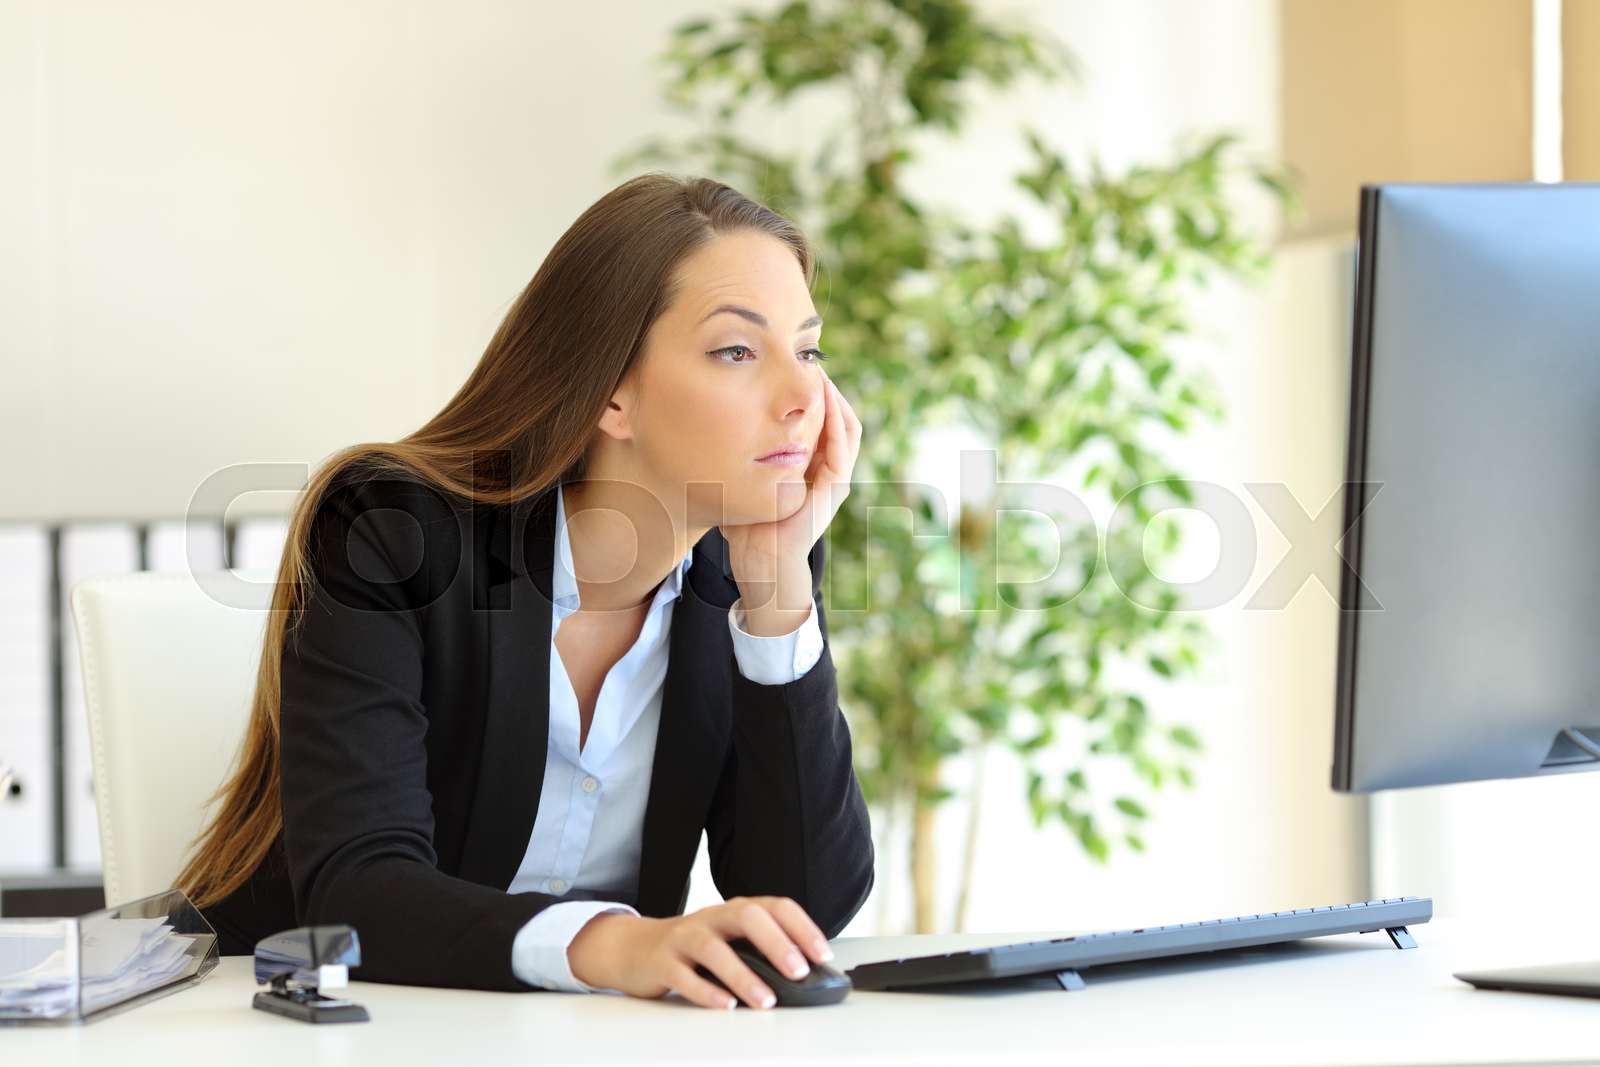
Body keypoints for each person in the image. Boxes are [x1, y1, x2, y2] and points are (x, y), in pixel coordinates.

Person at [176, 174, 873, 1011]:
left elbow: (805, 909)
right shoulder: (392, 532)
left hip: (570, 1037)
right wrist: (615, 943)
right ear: (611, 391)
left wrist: (778, 598)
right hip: (300, 1021)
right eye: (737, 351)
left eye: (809, 350)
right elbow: (357, 890)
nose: (803, 398)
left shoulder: (752, 570)